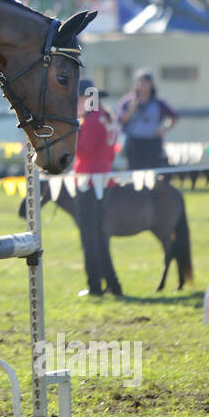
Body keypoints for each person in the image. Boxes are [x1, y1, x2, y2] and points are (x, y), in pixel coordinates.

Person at [74, 80, 123, 297]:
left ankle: (95, 285)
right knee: (100, 238)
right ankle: (112, 284)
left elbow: (82, 151)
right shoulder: (105, 117)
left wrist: (74, 131)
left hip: (90, 183)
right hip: (105, 182)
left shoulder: (91, 121)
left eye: (79, 100)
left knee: (89, 238)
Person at [117, 68, 177, 170]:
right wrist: (132, 109)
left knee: (153, 172)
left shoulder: (158, 102)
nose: (142, 85)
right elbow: (121, 120)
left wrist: (164, 129)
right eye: (140, 82)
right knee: (135, 173)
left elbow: (174, 116)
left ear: (151, 84)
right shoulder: (128, 101)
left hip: (153, 143)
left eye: (146, 82)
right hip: (135, 143)